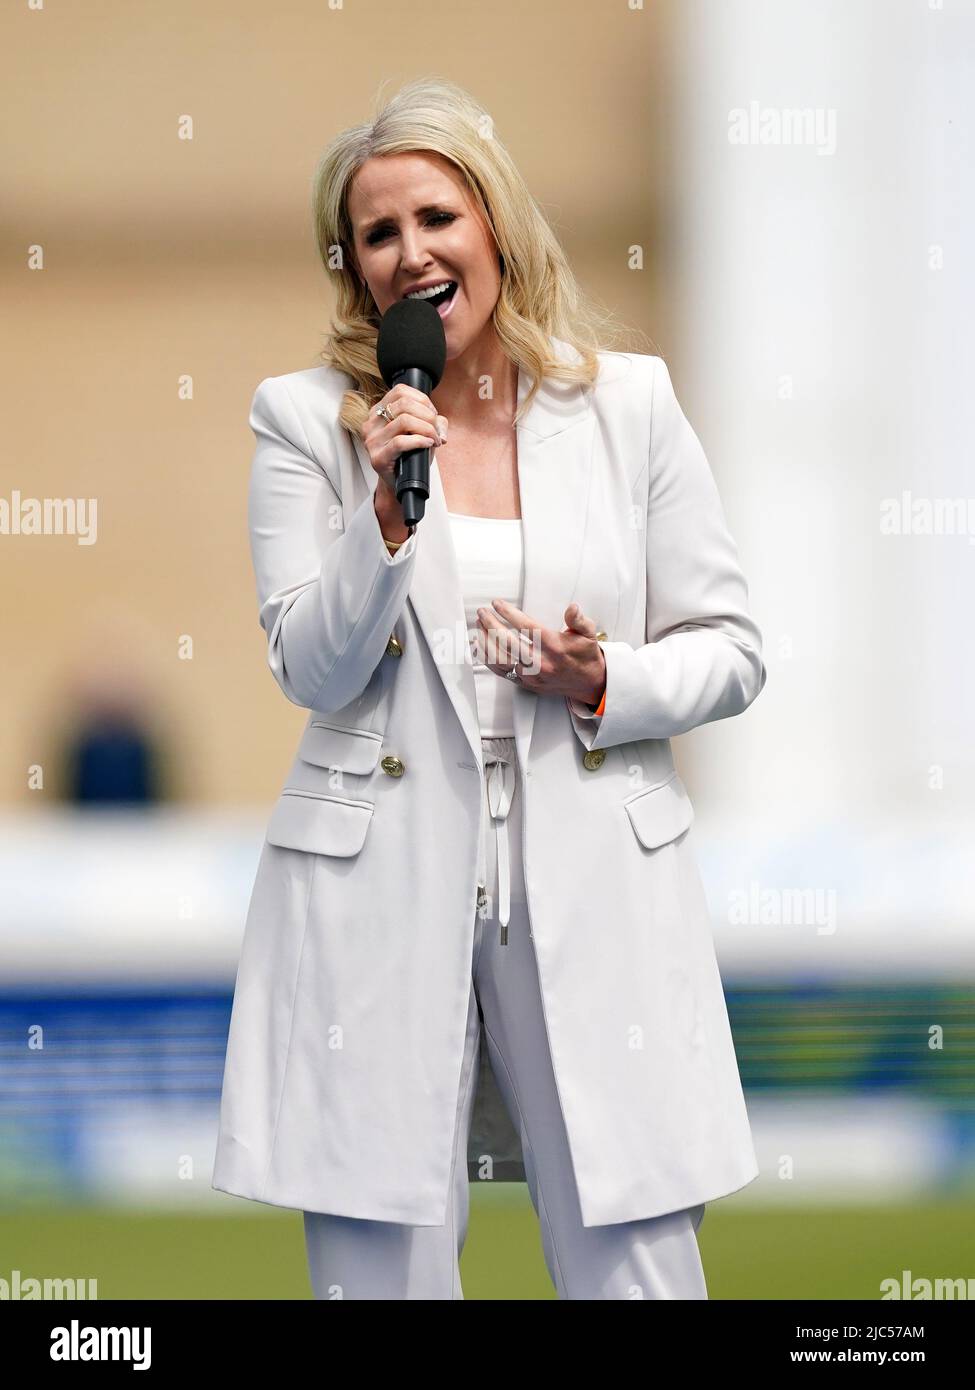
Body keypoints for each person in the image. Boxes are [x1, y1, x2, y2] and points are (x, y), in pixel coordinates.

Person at [212, 77, 767, 1300]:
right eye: (378, 234)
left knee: (637, 1259)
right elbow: (312, 662)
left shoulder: (630, 405)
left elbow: (733, 648)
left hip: (590, 866)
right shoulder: (307, 422)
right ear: (352, 267)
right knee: (382, 1262)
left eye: (436, 218)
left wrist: (604, 673)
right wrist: (383, 520)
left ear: (495, 228)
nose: (411, 253)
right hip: (379, 872)